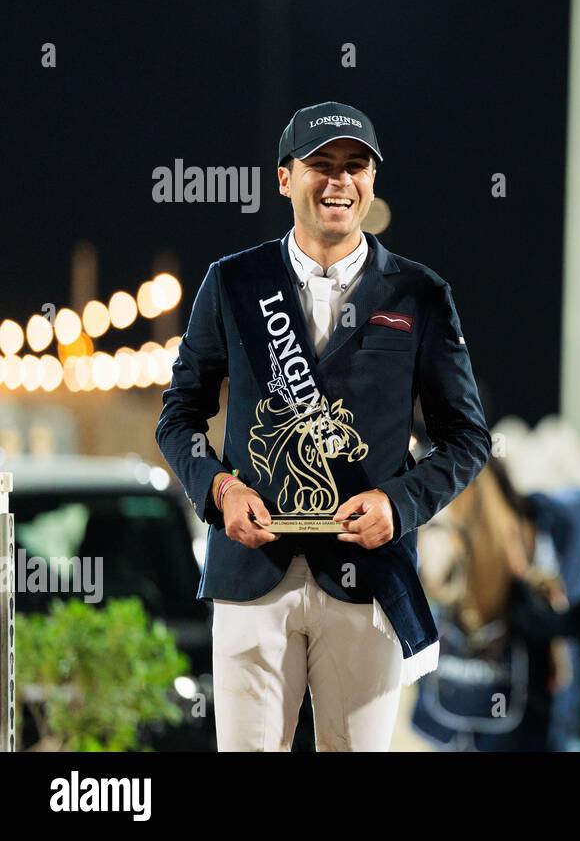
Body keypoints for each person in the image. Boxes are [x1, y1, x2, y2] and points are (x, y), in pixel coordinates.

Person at [156, 101, 492, 750]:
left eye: (355, 165)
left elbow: (467, 439)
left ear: (372, 180)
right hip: (251, 579)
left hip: (368, 579)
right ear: (285, 178)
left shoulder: (419, 295)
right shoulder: (232, 282)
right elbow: (179, 417)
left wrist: (400, 503)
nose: (339, 181)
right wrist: (219, 490)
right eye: (321, 165)